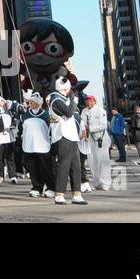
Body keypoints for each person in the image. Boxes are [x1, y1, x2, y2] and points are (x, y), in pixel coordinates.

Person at [48, 76, 86, 205]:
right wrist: (74, 98)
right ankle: (59, 194)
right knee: (64, 165)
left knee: (76, 166)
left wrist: (71, 98)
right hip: (63, 136)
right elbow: (69, 112)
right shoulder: (56, 99)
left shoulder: (62, 98)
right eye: (69, 88)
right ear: (64, 87)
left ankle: (77, 193)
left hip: (70, 136)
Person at [81, 94, 111, 191]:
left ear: (94, 101)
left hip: (100, 138)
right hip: (90, 139)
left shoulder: (101, 111)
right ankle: (97, 182)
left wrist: (90, 129)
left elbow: (103, 126)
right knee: (92, 161)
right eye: (87, 101)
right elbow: (83, 124)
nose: (88, 103)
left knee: (103, 161)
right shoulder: (84, 111)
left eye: (90, 101)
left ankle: (105, 183)